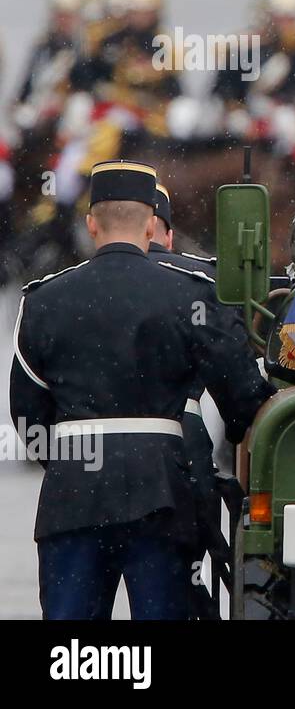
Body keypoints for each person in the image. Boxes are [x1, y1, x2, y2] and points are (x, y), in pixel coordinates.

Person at [9, 160, 274, 620]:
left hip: (72, 496)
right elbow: (243, 395)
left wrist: (74, 458)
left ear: (92, 223)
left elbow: (28, 416)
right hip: (163, 492)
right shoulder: (190, 295)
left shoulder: (42, 300)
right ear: (153, 225)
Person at [146, 181, 244, 618]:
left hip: (86, 478)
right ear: (167, 235)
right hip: (182, 460)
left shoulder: (64, 289)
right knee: (181, 588)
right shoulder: (200, 282)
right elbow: (234, 373)